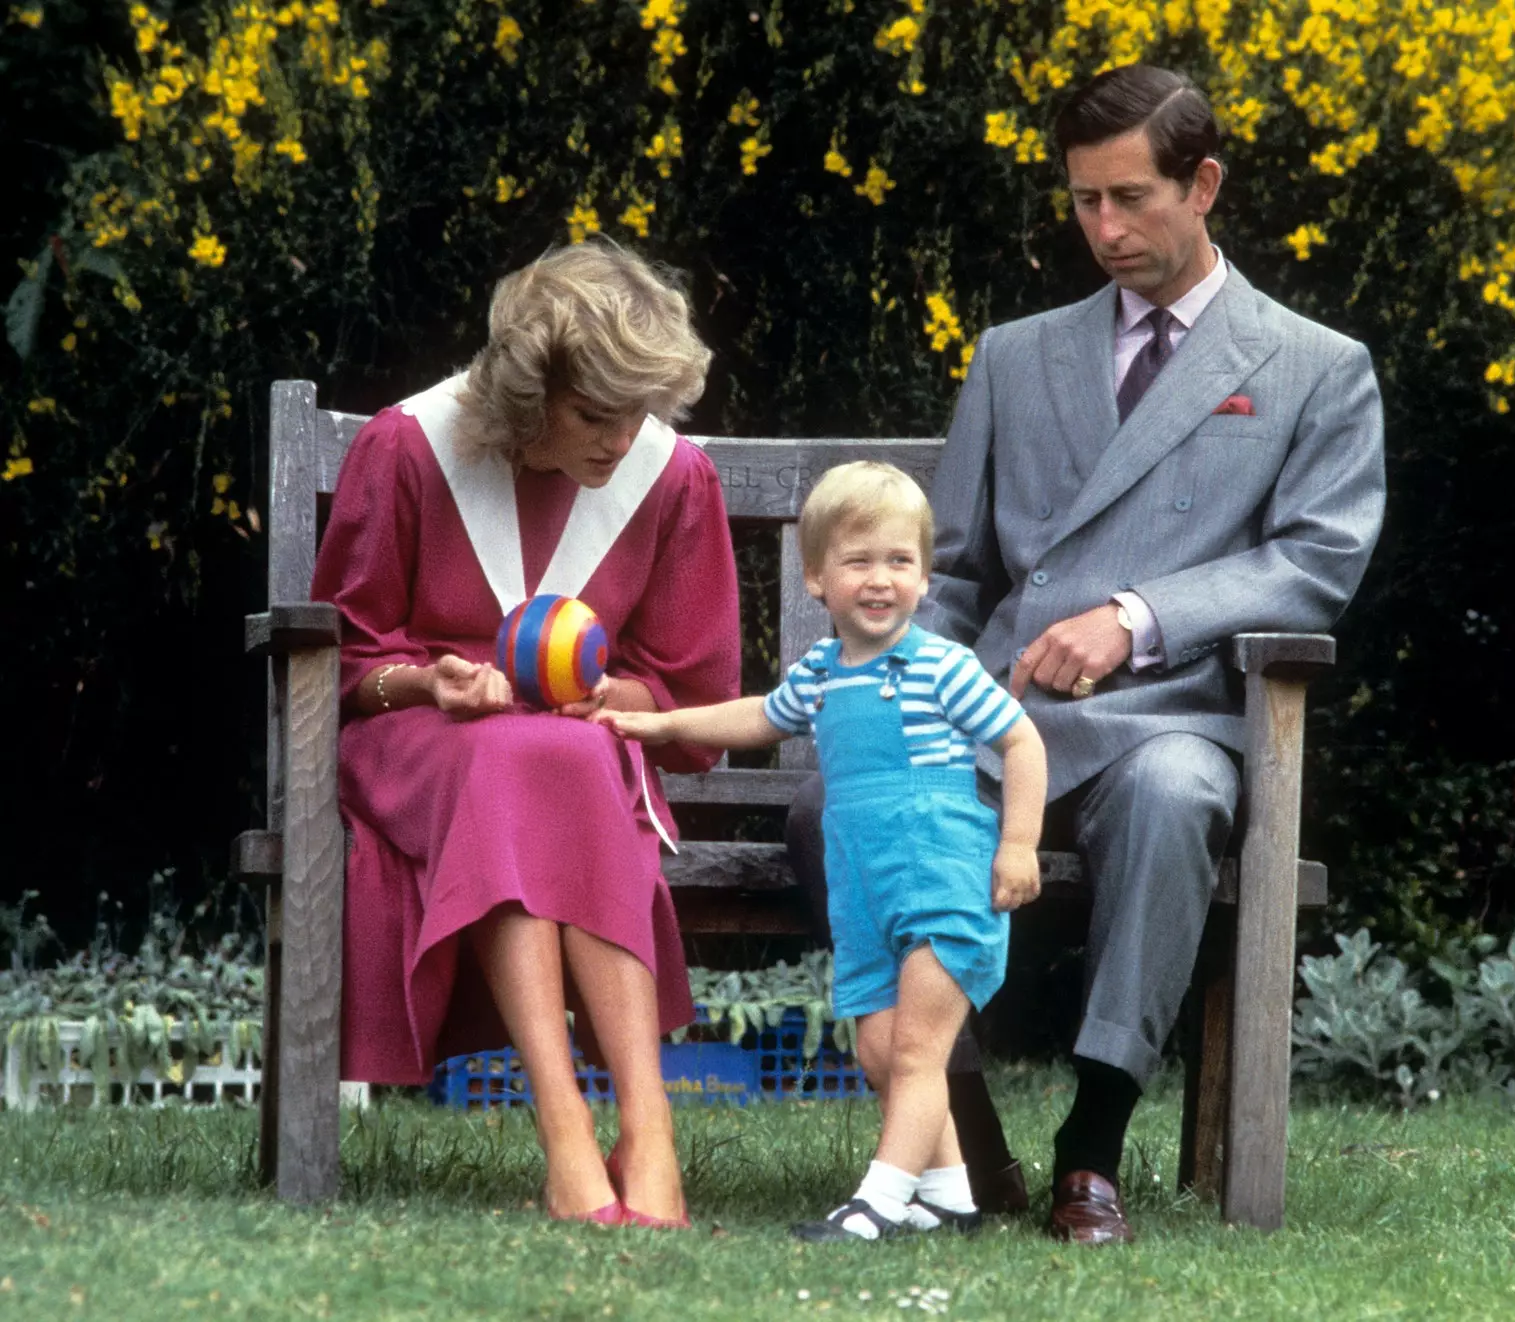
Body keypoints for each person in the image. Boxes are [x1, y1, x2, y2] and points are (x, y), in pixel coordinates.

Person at [787, 63, 1386, 1244]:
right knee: (825, 808)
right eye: (1081, 202)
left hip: (1176, 716)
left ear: (1203, 183)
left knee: (1171, 797)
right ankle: (959, 1137)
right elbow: (950, 571)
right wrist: (906, 689)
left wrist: (1135, 615)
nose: (1104, 230)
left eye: (1131, 198)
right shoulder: (1017, 355)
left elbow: (1316, 560)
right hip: (992, 709)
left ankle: (1091, 1145)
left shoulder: (1317, 365)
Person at [311, 239, 741, 1228]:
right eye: (594, 413)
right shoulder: (410, 445)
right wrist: (428, 678)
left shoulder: (669, 478)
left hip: (581, 747)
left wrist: (606, 694)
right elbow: (345, 662)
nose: (619, 439)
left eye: (639, 412)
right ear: (526, 393)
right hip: (422, 734)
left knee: (558, 750)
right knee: (528, 756)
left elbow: (689, 691)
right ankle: (567, 1131)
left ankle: (645, 1127)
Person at [600, 461, 1048, 1242]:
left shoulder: (940, 666)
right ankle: (949, 1196)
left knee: (915, 1049)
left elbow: (1022, 739)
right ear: (817, 579)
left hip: (943, 876)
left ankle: (876, 1203)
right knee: (880, 1049)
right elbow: (757, 718)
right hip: (865, 887)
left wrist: (1017, 845)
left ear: (923, 575)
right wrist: (664, 726)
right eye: (858, 562)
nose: (881, 581)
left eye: (900, 562)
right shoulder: (821, 673)